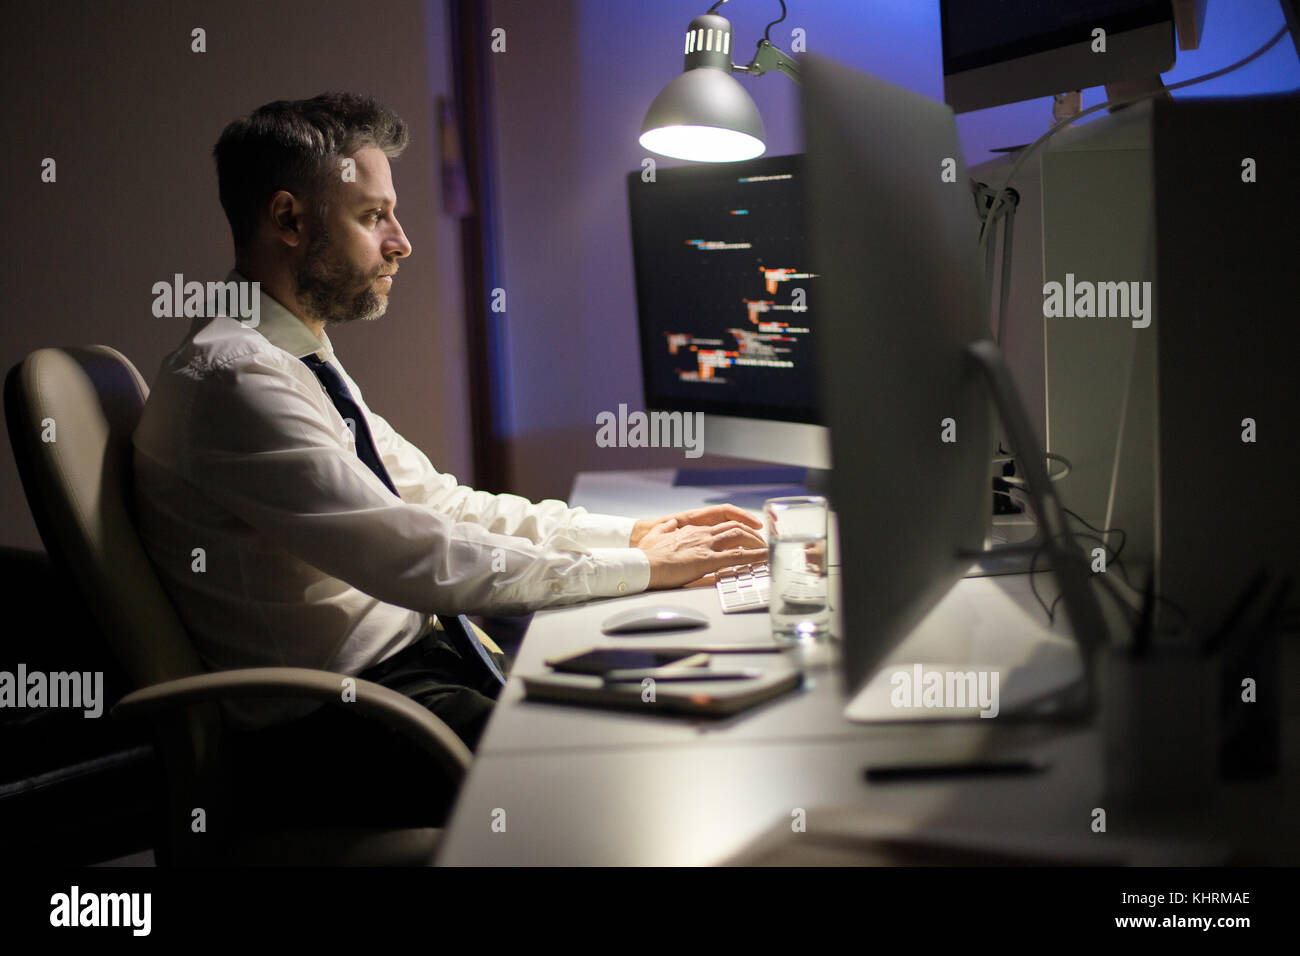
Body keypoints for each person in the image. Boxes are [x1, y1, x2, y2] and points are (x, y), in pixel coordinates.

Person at [131, 93, 765, 824]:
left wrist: (631, 541)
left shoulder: (289, 357)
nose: (401, 241)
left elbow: (440, 504)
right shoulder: (235, 379)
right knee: (625, 773)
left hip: (409, 675)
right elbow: (410, 554)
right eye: (373, 217)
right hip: (340, 728)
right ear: (289, 221)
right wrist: (643, 569)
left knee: (648, 712)